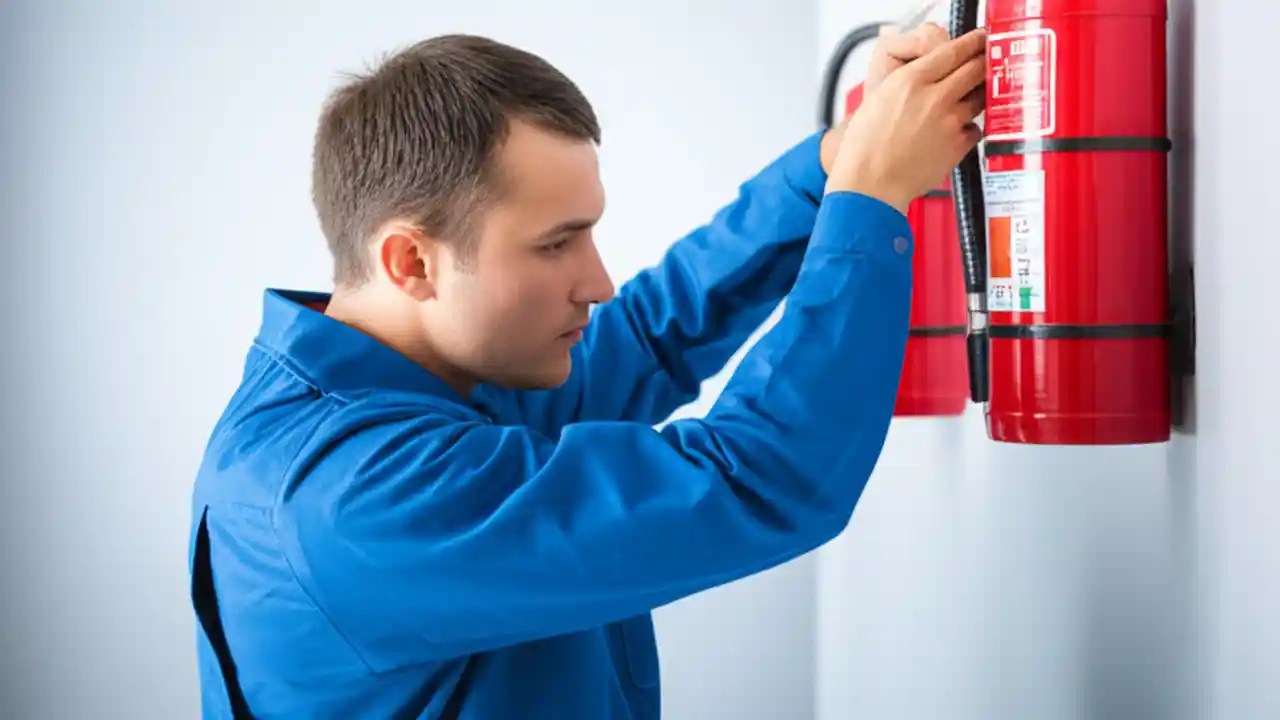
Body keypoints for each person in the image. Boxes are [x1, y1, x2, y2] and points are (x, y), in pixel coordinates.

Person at [188, 23, 986, 720]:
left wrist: (832, 166)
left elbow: (641, 342)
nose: (597, 281)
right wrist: (869, 199)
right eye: (554, 244)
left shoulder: (412, 388)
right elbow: (758, 477)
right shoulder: (358, 500)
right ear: (413, 260)